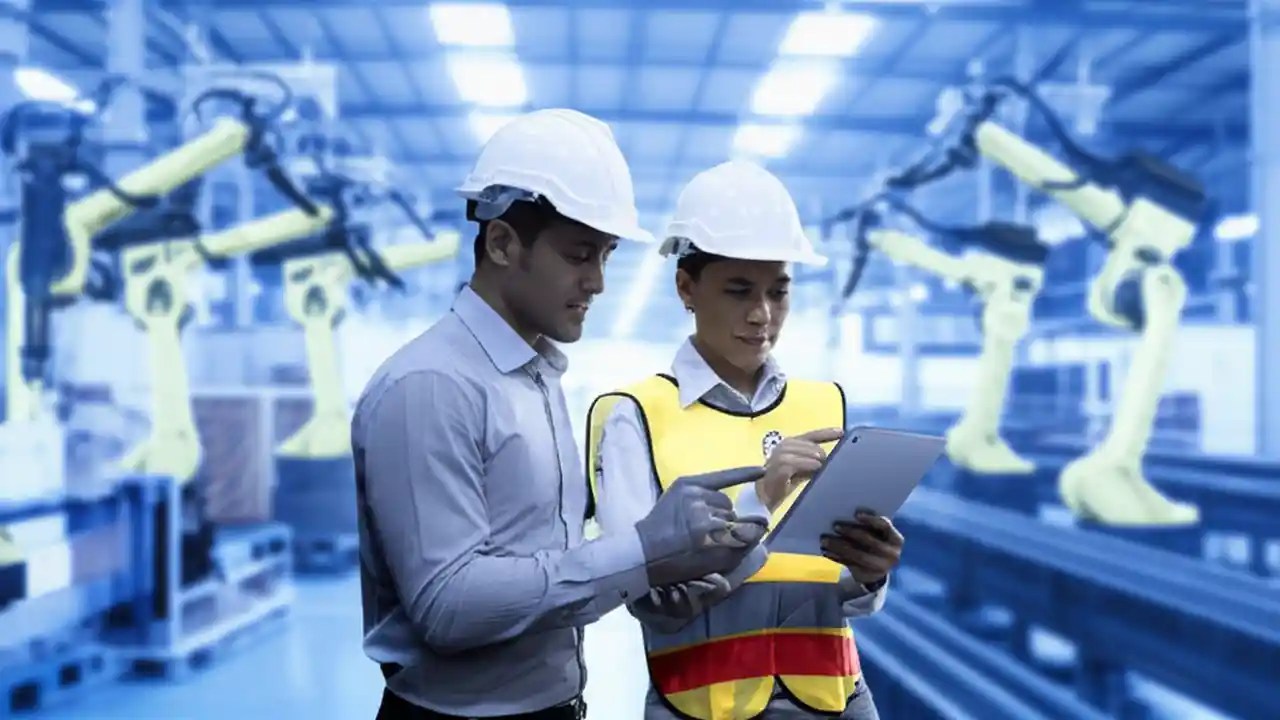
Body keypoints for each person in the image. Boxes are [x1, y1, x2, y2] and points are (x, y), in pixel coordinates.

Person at [351, 110, 772, 720]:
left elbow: (542, 564)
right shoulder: (429, 387)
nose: (597, 281)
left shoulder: (535, 379)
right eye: (579, 254)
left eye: (605, 255)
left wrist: (657, 576)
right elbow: (449, 606)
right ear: (501, 243)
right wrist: (642, 549)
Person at [586, 160, 906, 720]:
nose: (762, 316)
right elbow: (651, 603)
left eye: (778, 293)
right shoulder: (634, 417)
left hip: (838, 701)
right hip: (699, 708)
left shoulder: (825, 403)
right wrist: (760, 502)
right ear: (686, 287)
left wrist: (872, 571)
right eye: (738, 291)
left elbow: (846, 593)